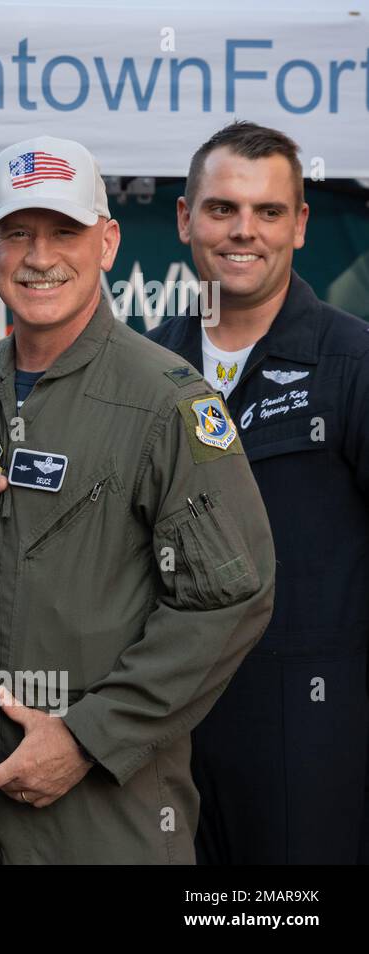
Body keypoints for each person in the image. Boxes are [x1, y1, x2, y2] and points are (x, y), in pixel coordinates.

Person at [0, 135, 276, 863]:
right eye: (18, 233)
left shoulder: (167, 400)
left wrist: (88, 738)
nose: (40, 256)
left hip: (103, 818)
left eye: (65, 231)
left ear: (107, 241)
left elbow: (232, 597)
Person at [147, 121, 369, 864]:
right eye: (222, 209)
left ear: (300, 224)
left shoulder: (353, 362)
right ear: (186, 218)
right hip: (163, 727)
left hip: (311, 735)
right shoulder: (146, 367)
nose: (245, 232)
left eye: (269, 211)